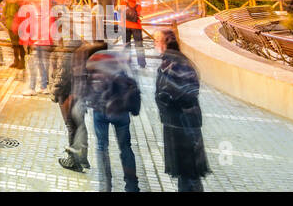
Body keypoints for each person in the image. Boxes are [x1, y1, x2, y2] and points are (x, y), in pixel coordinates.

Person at [154, 27, 210, 192]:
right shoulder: (169, 62)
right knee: (184, 172)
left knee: (188, 172)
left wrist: (168, 98)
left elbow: (189, 92)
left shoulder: (178, 63)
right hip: (176, 124)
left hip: (184, 125)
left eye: (158, 40)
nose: (155, 44)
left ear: (167, 43)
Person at [87, 48, 141, 192]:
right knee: (125, 147)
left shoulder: (95, 59)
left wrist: (89, 102)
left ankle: (105, 186)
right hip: (120, 112)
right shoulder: (122, 61)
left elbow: (87, 84)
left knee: (101, 147)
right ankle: (132, 186)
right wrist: (134, 109)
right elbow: (134, 85)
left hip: (101, 110)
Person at [53, 38, 105, 172]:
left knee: (72, 126)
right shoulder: (84, 50)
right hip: (79, 94)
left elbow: (62, 75)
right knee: (80, 125)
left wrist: (55, 92)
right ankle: (83, 159)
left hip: (67, 94)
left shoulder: (68, 50)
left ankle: (73, 161)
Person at [123, 0, 146, 69]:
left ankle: (127, 61)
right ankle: (141, 63)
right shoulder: (138, 6)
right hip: (136, 27)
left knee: (126, 44)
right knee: (139, 45)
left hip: (125, 26)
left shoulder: (123, 3)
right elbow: (139, 14)